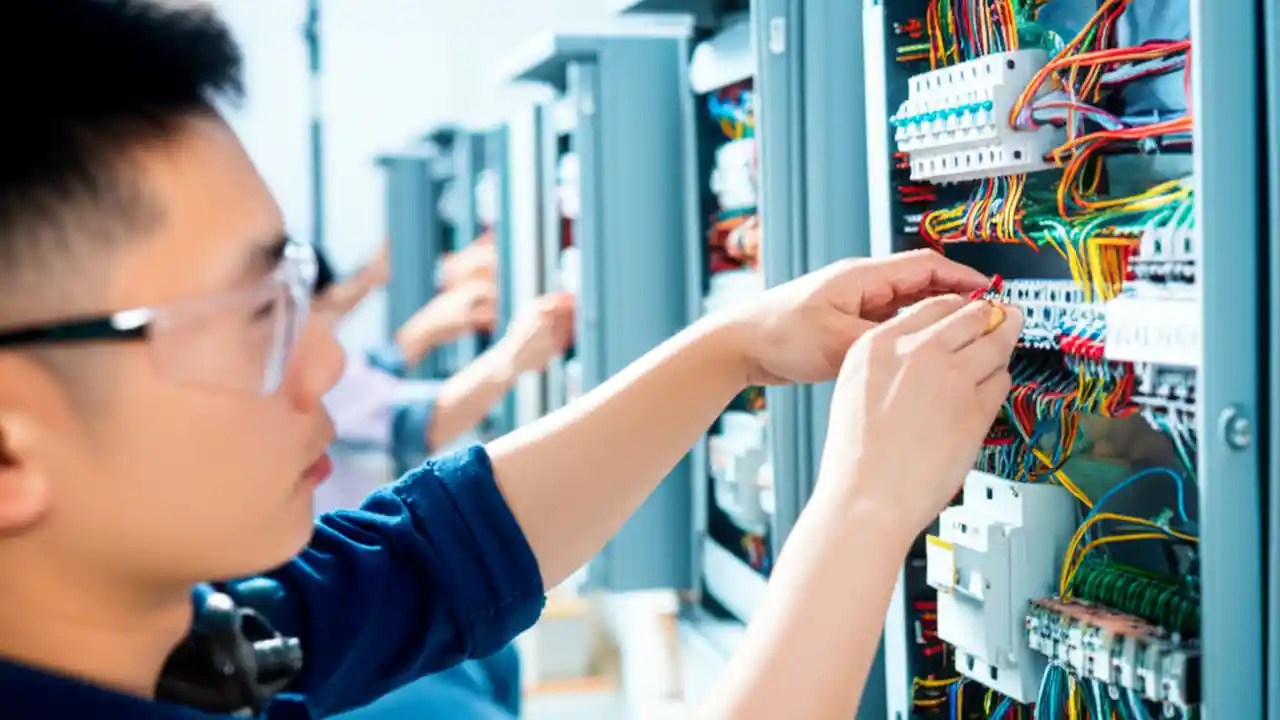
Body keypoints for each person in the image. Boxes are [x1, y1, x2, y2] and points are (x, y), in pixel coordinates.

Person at [0, 3, 1022, 720]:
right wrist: (861, 509)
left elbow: (427, 558)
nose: (321, 362)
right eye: (247, 316)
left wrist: (735, 347)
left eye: (294, 290)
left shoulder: (185, 639)